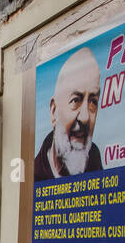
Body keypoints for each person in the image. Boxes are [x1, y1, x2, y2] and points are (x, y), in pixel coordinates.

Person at [33, 46, 103, 182]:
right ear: (54, 111)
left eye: (93, 102)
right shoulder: (30, 185)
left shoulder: (101, 182)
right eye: (75, 100)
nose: (85, 117)